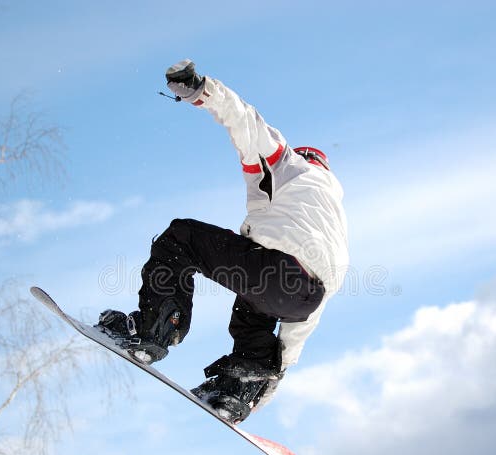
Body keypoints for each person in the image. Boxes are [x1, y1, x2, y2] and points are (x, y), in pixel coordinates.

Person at [98, 59, 349, 424]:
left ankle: (154, 330)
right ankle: (241, 388)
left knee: (180, 238)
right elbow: (299, 332)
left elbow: (246, 121)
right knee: (254, 307)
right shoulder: (334, 228)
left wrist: (201, 90)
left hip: (275, 267)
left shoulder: (289, 164)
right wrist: (268, 388)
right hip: (303, 297)